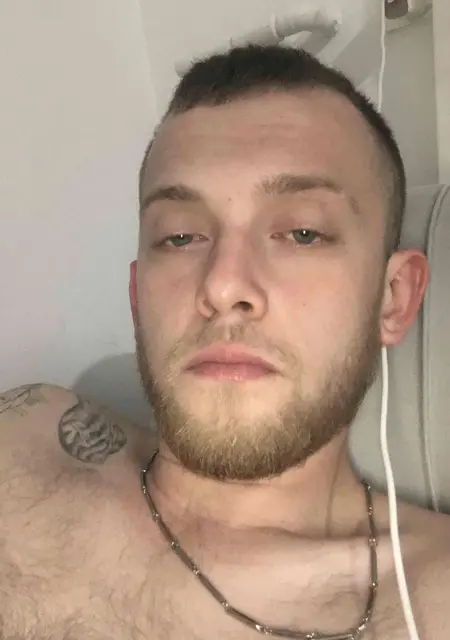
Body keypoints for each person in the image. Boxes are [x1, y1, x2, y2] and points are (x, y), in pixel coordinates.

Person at [0, 44, 449, 640]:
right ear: (136, 296)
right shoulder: (23, 440)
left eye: (303, 232)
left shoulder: (432, 598)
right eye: (179, 237)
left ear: (393, 297)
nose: (222, 285)